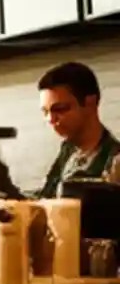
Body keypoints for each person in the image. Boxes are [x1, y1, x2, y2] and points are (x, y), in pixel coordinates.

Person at [39, 61, 120, 198]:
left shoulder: (114, 162)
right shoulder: (67, 150)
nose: (51, 119)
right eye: (45, 112)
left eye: (60, 109)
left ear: (90, 103)